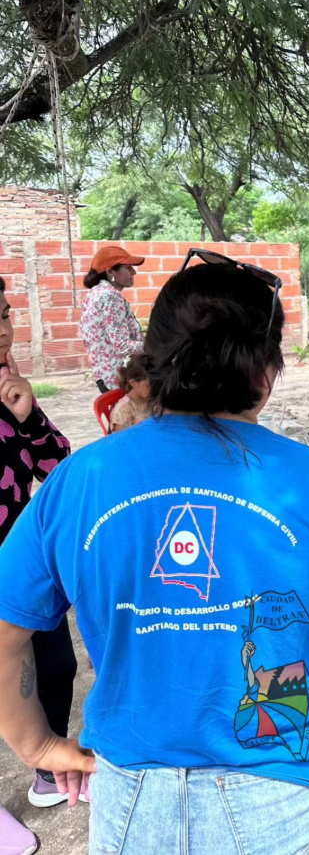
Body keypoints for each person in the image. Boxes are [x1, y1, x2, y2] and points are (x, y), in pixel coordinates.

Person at [0, 255, 309, 855]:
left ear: (152, 363)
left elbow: (4, 631)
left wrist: (39, 746)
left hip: (131, 801)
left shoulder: (82, 480)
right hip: (281, 795)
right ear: (266, 372)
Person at [0, 274, 76, 855]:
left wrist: (28, 417)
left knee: (52, 667)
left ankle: (48, 767)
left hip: (24, 573)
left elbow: (57, 469)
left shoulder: (10, 394)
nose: (5, 331)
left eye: (5, 315)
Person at [80, 246, 145, 393]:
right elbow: (122, 345)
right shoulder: (111, 296)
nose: (133, 272)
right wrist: (153, 346)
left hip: (105, 376)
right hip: (118, 379)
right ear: (110, 272)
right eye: (128, 268)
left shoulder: (94, 294)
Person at [110, 354, 151, 432]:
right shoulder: (123, 412)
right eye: (150, 384)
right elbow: (122, 441)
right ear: (133, 382)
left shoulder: (154, 400)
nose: (155, 388)